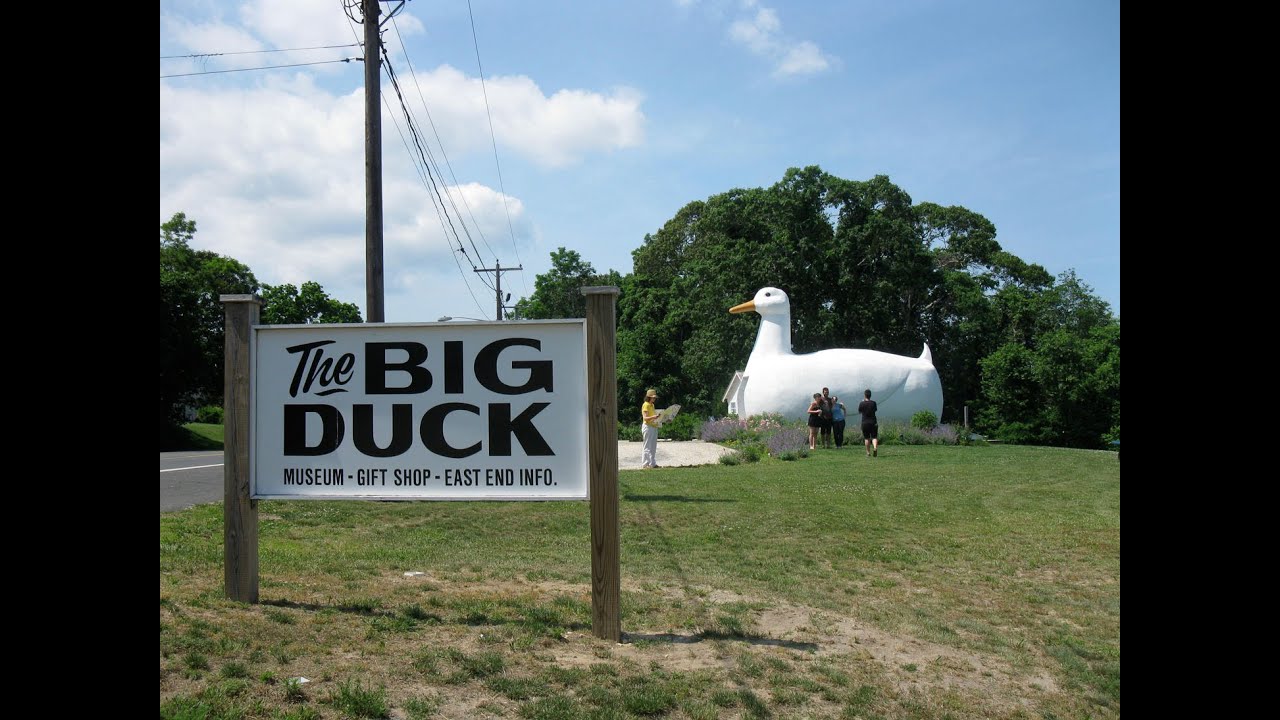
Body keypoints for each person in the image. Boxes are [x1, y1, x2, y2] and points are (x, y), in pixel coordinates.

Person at [641, 389, 661, 468]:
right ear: (648, 397)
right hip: (647, 427)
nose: (654, 399)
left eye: (655, 398)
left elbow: (653, 417)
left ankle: (652, 463)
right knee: (647, 446)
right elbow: (645, 418)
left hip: (653, 426)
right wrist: (654, 416)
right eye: (653, 397)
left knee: (653, 446)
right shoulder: (645, 405)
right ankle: (645, 464)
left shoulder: (652, 405)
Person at [858, 388, 879, 457]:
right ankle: (875, 448)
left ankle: (868, 453)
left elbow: (859, 411)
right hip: (873, 422)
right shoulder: (873, 403)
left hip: (865, 422)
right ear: (870, 395)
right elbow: (875, 410)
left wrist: (863, 402)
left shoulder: (862, 403)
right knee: (874, 437)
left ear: (865, 395)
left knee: (867, 438)